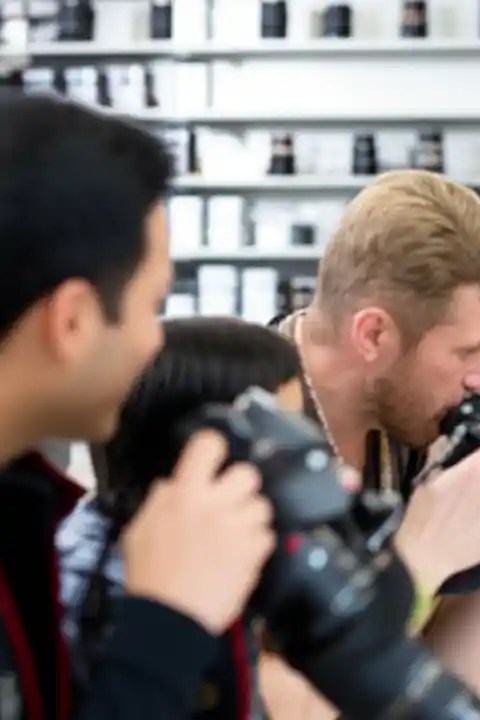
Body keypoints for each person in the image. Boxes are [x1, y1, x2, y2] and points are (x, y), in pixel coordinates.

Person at [269, 169, 480, 698]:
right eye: (468, 352)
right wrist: (418, 560)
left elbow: (443, 686)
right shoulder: (240, 438)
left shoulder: (416, 427)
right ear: (373, 334)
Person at [0, 95, 275, 718]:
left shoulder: (25, 512)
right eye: (153, 306)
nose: (155, 342)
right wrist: (167, 621)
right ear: (73, 320)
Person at [58, 317, 312, 720]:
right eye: (282, 444)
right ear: (198, 450)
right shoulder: (97, 604)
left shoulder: (209, 567)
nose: (303, 467)